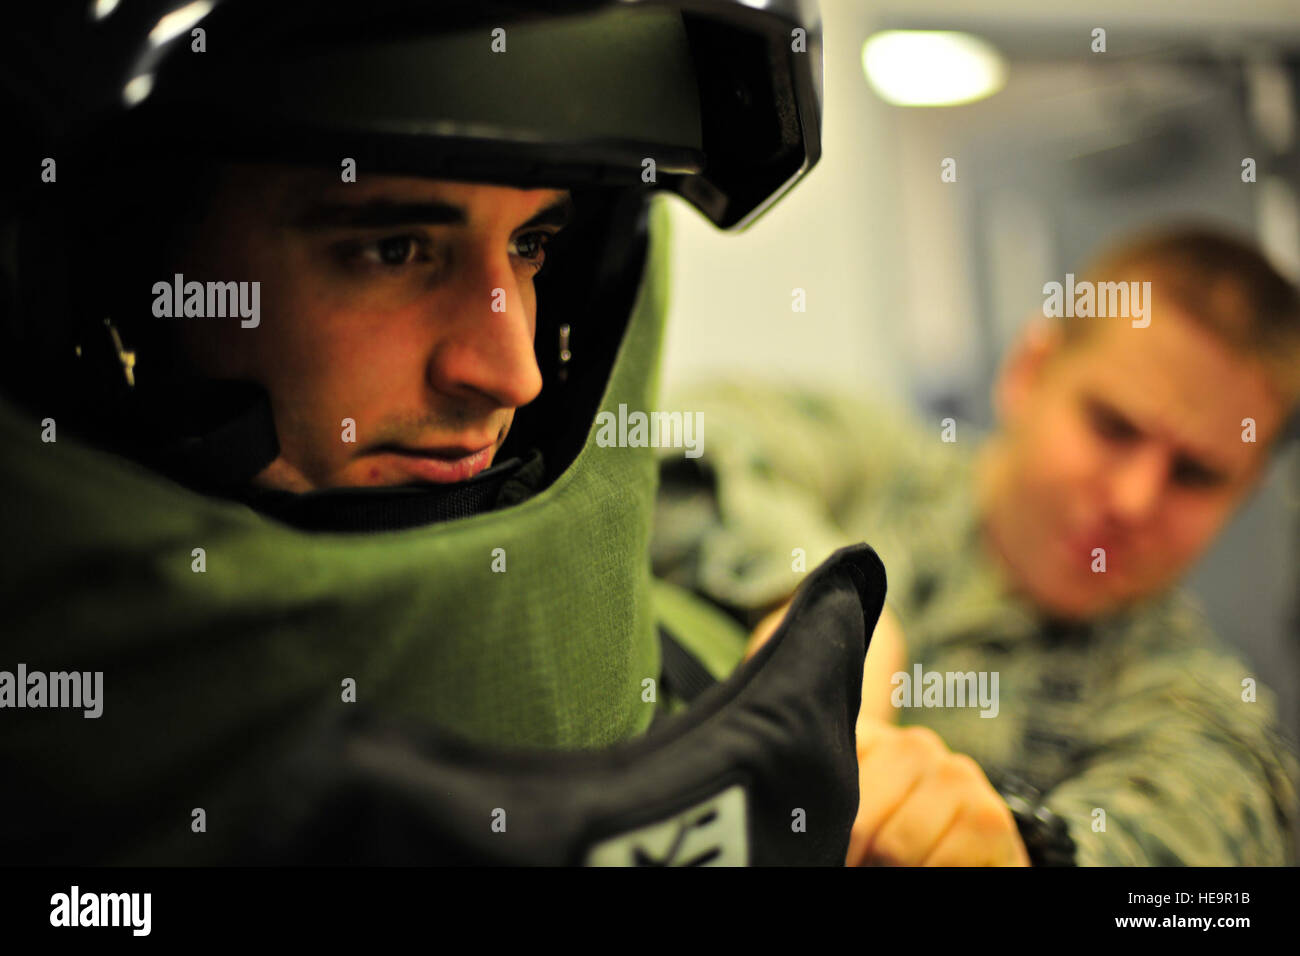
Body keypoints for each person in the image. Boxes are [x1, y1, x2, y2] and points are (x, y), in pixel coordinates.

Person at [0, 0, 888, 865]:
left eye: (534, 244)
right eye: (396, 249)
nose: (514, 373)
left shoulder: (709, 664)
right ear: (124, 281)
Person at [653, 225, 1300, 865]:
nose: (1132, 500)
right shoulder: (873, 464)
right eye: (1113, 427)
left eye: (1195, 475)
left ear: (1245, 490)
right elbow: (671, 453)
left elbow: (1208, 822)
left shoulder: (1185, 693)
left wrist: (1011, 853)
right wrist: (831, 616)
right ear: (1030, 371)